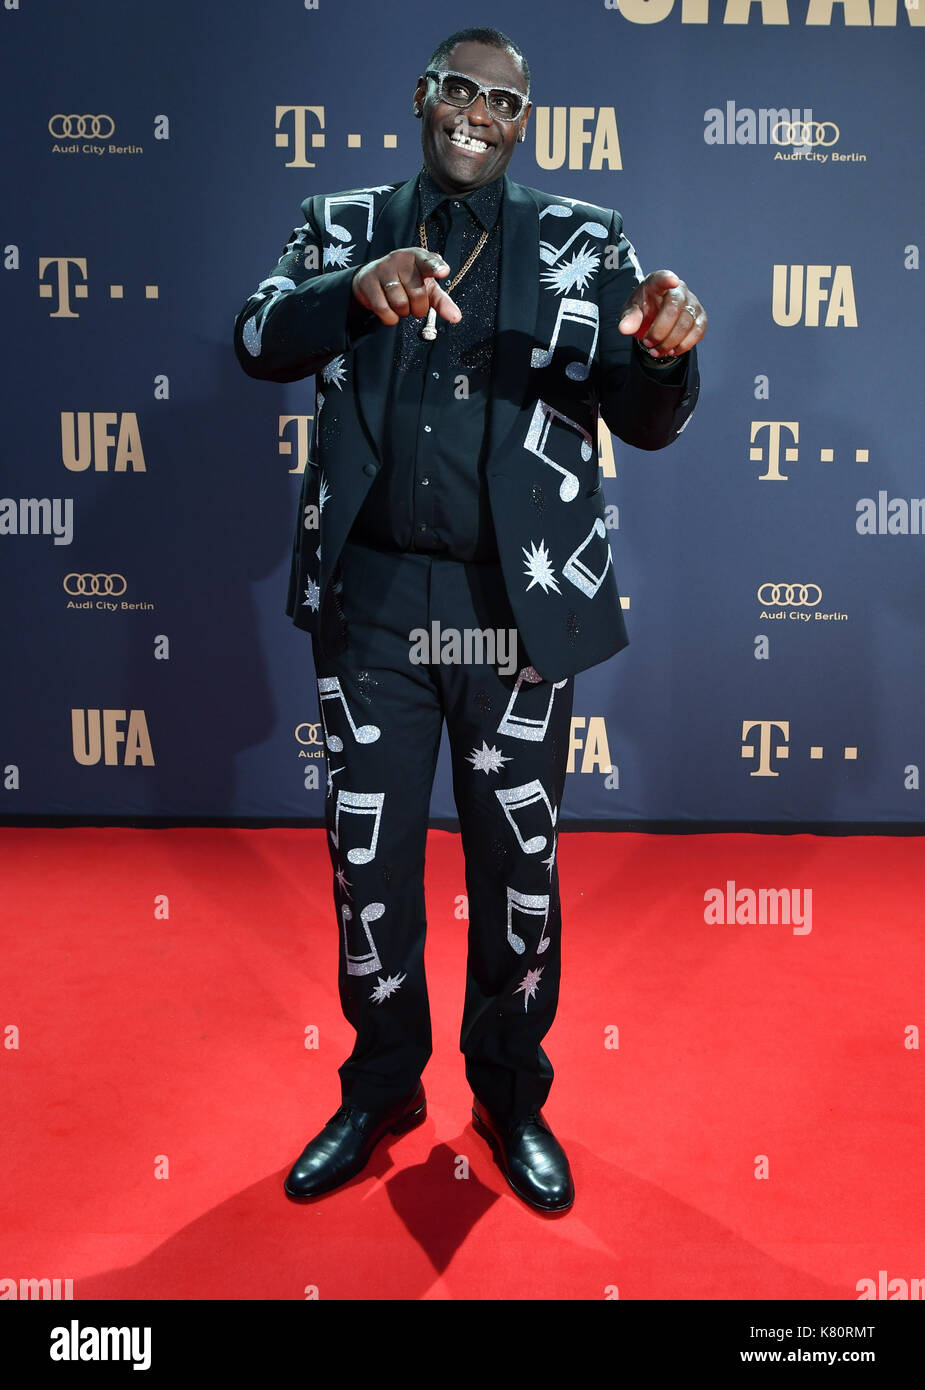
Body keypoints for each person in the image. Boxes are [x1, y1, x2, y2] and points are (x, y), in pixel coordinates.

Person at [234, 26, 705, 1214]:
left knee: (517, 864)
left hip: (517, 605)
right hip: (375, 602)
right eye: (459, 88)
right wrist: (350, 296)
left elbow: (644, 417)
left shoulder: (585, 244)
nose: (477, 112)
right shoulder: (340, 222)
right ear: (421, 95)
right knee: (369, 864)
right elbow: (254, 338)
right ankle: (383, 1082)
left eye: (504, 100)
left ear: (522, 120)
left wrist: (660, 356)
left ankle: (510, 1092)